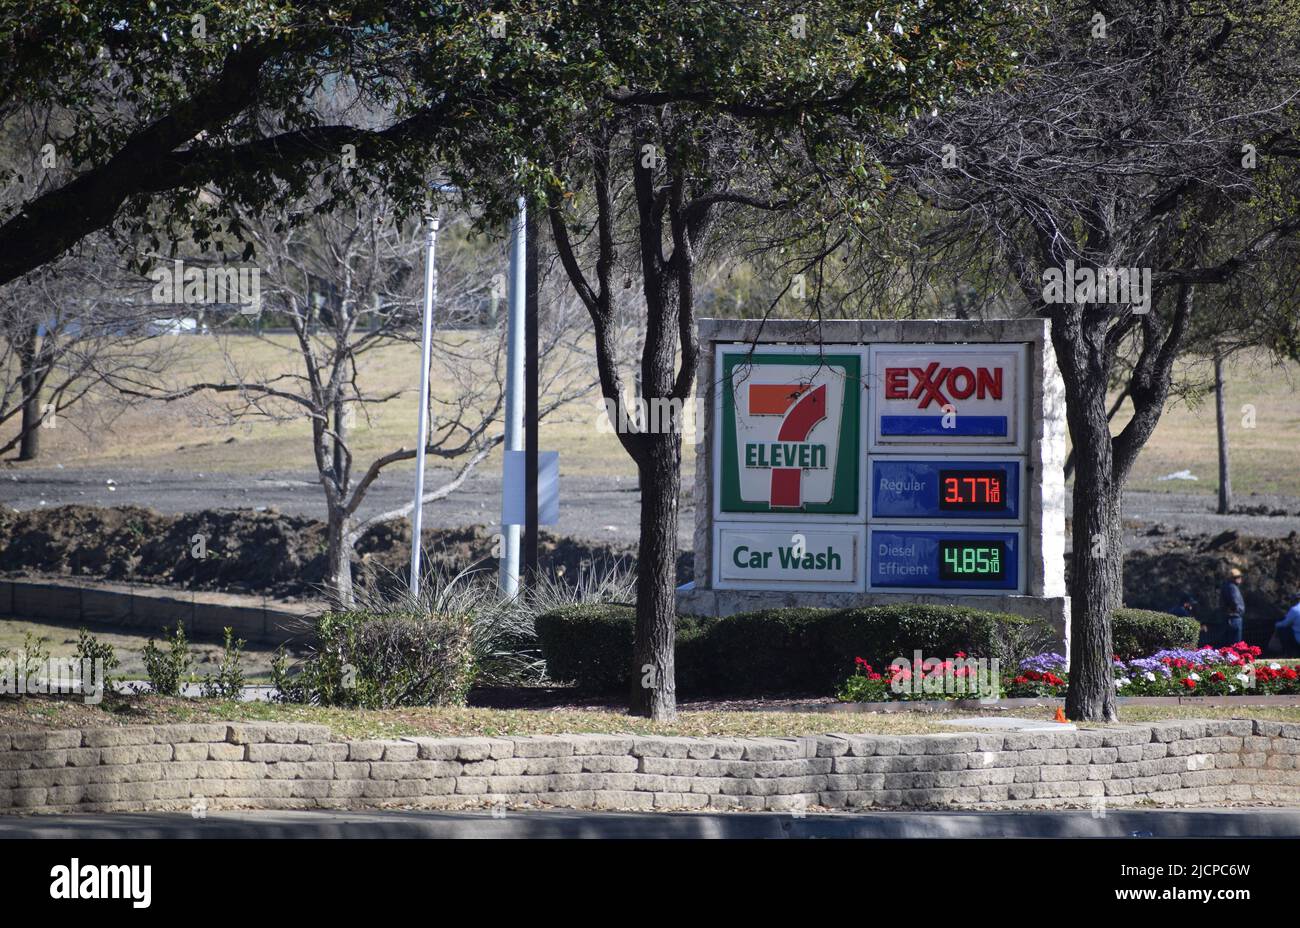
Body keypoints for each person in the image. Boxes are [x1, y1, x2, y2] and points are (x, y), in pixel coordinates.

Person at [1217, 566, 1246, 648]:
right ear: (1232, 578)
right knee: (1235, 644)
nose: (1239, 578)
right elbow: (1235, 601)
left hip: (1231, 617)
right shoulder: (1232, 587)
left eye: (1240, 576)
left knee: (1230, 642)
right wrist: (1239, 611)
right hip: (1234, 618)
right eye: (1237, 577)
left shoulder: (1228, 586)